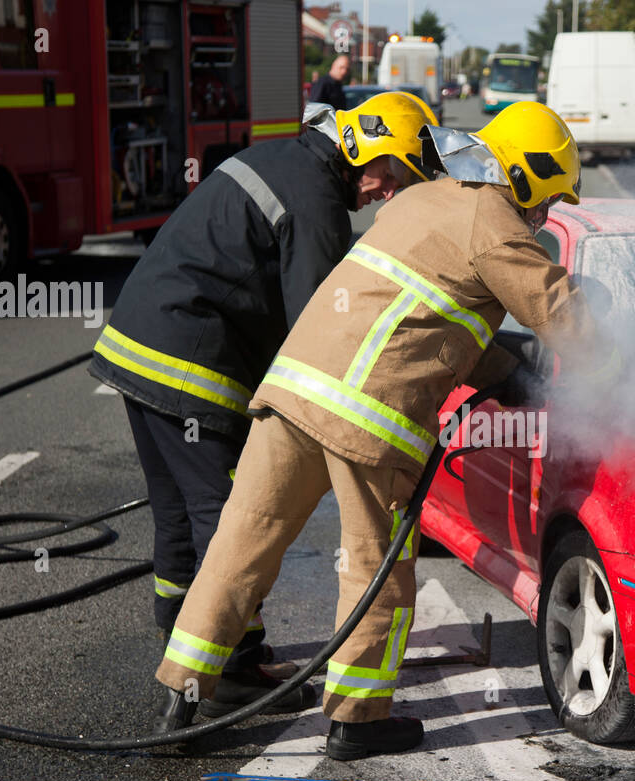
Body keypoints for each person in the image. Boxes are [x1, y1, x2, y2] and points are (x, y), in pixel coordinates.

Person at [151, 102, 616, 756]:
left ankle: (180, 700)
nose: (545, 216)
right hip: (367, 415)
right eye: (549, 199)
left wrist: (504, 367)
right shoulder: (496, 222)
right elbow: (563, 314)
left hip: (293, 393)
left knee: (240, 543)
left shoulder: (423, 201)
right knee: (374, 566)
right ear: (527, 174)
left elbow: (420, 310)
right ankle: (356, 722)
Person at [89, 92, 437, 720]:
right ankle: (237, 665)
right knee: (228, 521)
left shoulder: (284, 157)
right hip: (188, 364)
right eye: (395, 177)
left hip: (134, 346)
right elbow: (318, 328)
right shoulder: (317, 205)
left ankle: (180, 635)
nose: (388, 194)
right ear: (369, 152)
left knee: (177, 514)